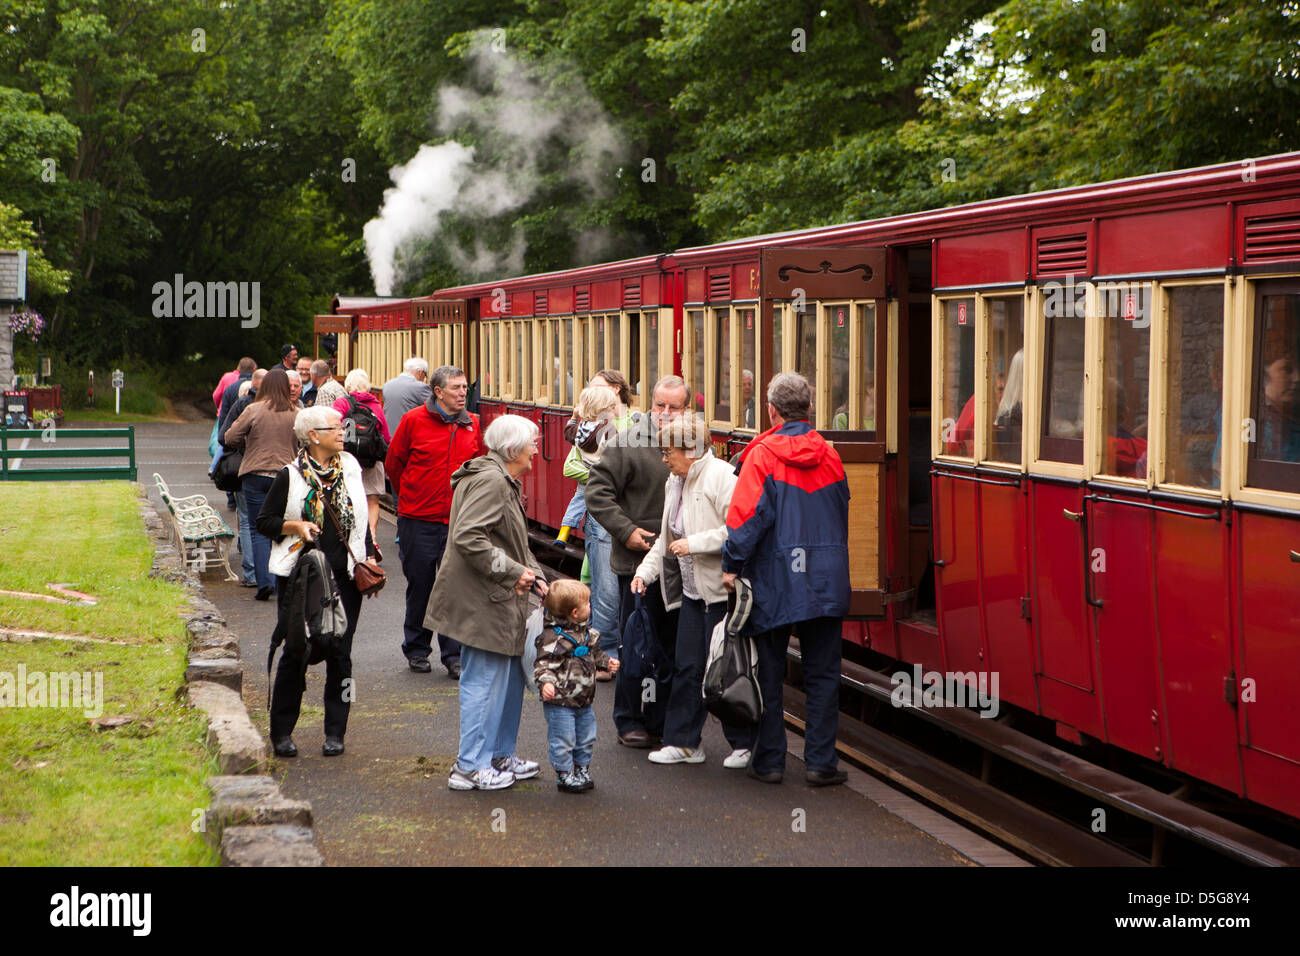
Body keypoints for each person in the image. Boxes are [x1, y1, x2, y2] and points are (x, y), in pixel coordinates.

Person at [721, 371, 850, 787]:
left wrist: (732, 565)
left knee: (769, 670)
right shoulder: (830, 455)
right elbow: (840, 511)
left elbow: (746, 520)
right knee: (824, 674)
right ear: (809, 408)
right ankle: (820, 763)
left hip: (776, 576)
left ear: (772, 411)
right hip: (826, 577)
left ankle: (771, 761)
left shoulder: (762, 456)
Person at [425, 414, 548, 791]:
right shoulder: (493, 481)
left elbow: (512, 541)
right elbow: (469, 538)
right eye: (532, 443)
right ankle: (469, 767)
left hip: (498, 596)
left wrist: (534, 574)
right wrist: (514, 572)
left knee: (507, 680)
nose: (536, 450)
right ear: (513, 450)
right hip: (485, 598)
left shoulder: (498, 477)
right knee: (484, 682)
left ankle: (497, 755)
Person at [631, 413, 752, 768]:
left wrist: (694, 544)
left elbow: (739, 530)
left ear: (693, 450)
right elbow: (666, 539)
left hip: (719, 592)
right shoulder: (676, 481)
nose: (664, 459)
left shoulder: (721, 478)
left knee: (723, 668)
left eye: (669, 452)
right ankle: (684, 743)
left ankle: (743, 743)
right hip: (692, 593)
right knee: (688, 667)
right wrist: (645, 573)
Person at [258, 405, 379, 759]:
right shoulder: (290, 476)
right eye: (336, 427)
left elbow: (358, 521)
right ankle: (281, 732)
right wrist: (295, 526)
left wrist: (370, 553)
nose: (344, 431)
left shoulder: (352, 468)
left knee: (341, 654)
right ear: (313, 436)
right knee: (297, 651)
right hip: (302, 578)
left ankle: (336, 732)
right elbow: (265, 521)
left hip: (345, 577)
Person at [585, 375, 688, 747]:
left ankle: (663, 722)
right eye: (659, 405)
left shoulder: (693, 442)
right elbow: (597, 493)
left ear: (686, 409)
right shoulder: (628, 441)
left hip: (682, 568)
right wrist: (625, 531)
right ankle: (632, 720)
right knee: (640, 646)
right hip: (637, 566)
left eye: (673, 407)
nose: (664, 413)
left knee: (674, 649)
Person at [386, 365, 485, 678]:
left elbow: (479, 467)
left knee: (455, 588)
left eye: (464, 387)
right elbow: (394, 464)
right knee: (422, 585)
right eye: (455, 388)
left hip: (458, 521)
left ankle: (454, 655)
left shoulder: (473, 424)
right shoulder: (413, 421)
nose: (462, 393)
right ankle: (416, 648)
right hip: (418, 519)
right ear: (438, 392)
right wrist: (411, 498)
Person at [557, 386, 622, 674]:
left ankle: (564, 531)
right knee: (607, 587)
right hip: (606, 506)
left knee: (604, 586)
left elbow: (572, 447)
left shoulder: (580, 430)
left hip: (595, 500)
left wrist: (575, 417)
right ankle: (604, 655)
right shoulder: (609, 432)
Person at [223, 368, 302, 601]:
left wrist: (249, 441)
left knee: (259, 529)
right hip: (285, 476)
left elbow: (229, 437)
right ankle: (280, 580)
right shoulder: (296, 413)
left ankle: (263, 582)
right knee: (281, 528)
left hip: (255, 474)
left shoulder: (253, 410)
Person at [534, 579, 620, 793]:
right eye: (588, 603)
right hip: (561, 701)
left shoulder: (589, 634)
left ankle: (581, 768)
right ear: (574, 612)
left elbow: (595, 654)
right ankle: (564, 774)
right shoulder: (553, 639)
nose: (591, 606)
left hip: (584, 700)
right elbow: (543, 666)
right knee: (563, 738)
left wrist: (606, 662)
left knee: (586, 736)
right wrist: (546, 683)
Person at [333, 368, 391, 549]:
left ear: (348, 384)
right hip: (372, 461)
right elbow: (386, 437)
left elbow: (332, 426)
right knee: (372, 500)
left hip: (347, 459)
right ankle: (372, 537)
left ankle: (351, 537)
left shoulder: (342, 403)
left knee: (347, 498)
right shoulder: (375, 406)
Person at [1258, 339, 1300, 463]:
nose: (1297, 378)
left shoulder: (1285, 414)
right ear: (1264, 373)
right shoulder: (1260, 420)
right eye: (1286, 370)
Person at [382, 358, 432, 437]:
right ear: (420, 372)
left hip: (388, 435)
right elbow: (435, 408)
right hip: (407, 437)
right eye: (425, 375)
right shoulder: (420, 387)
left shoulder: (388, 384)